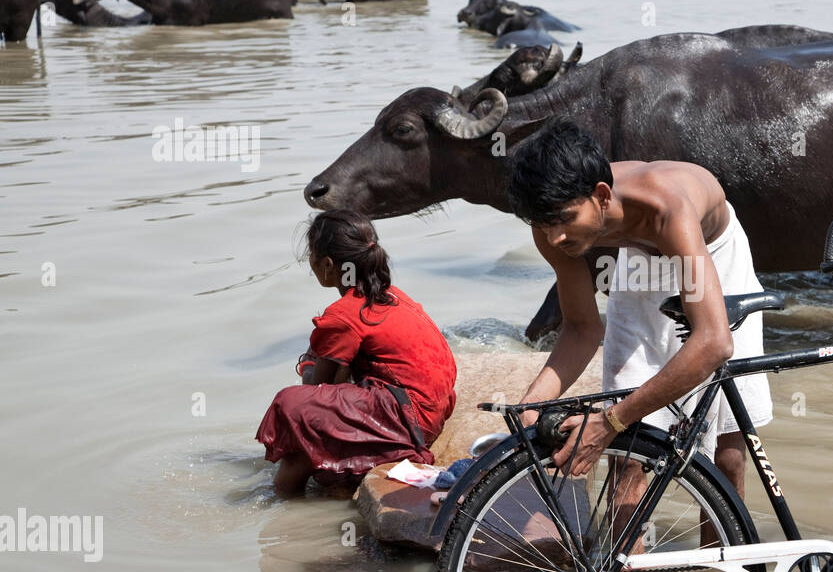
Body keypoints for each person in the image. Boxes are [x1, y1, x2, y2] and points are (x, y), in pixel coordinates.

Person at [506, 119, 772, 498]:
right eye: (543, 224)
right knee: (626, 455)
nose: (555, 237)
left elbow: (714, 342)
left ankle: (715, 558)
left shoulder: (666, 208)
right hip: (637, 258)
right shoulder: (552, 224)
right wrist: (531, 404)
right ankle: (620, 560)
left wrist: (609, 421)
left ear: (601, 195)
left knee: (724, 453)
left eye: (565, 219)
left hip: (710, 252)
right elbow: (582, 329)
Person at [257, 210, 458, 497]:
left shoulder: (343, 315)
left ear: (327, 265)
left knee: (291, 407)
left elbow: (316, 390)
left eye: (311, 256)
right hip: (431, 409)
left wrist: (309, 360)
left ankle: (282, 504)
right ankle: (327, 483)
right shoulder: (394, 295)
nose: (310, 263)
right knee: (311, 420)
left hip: (410, 418)